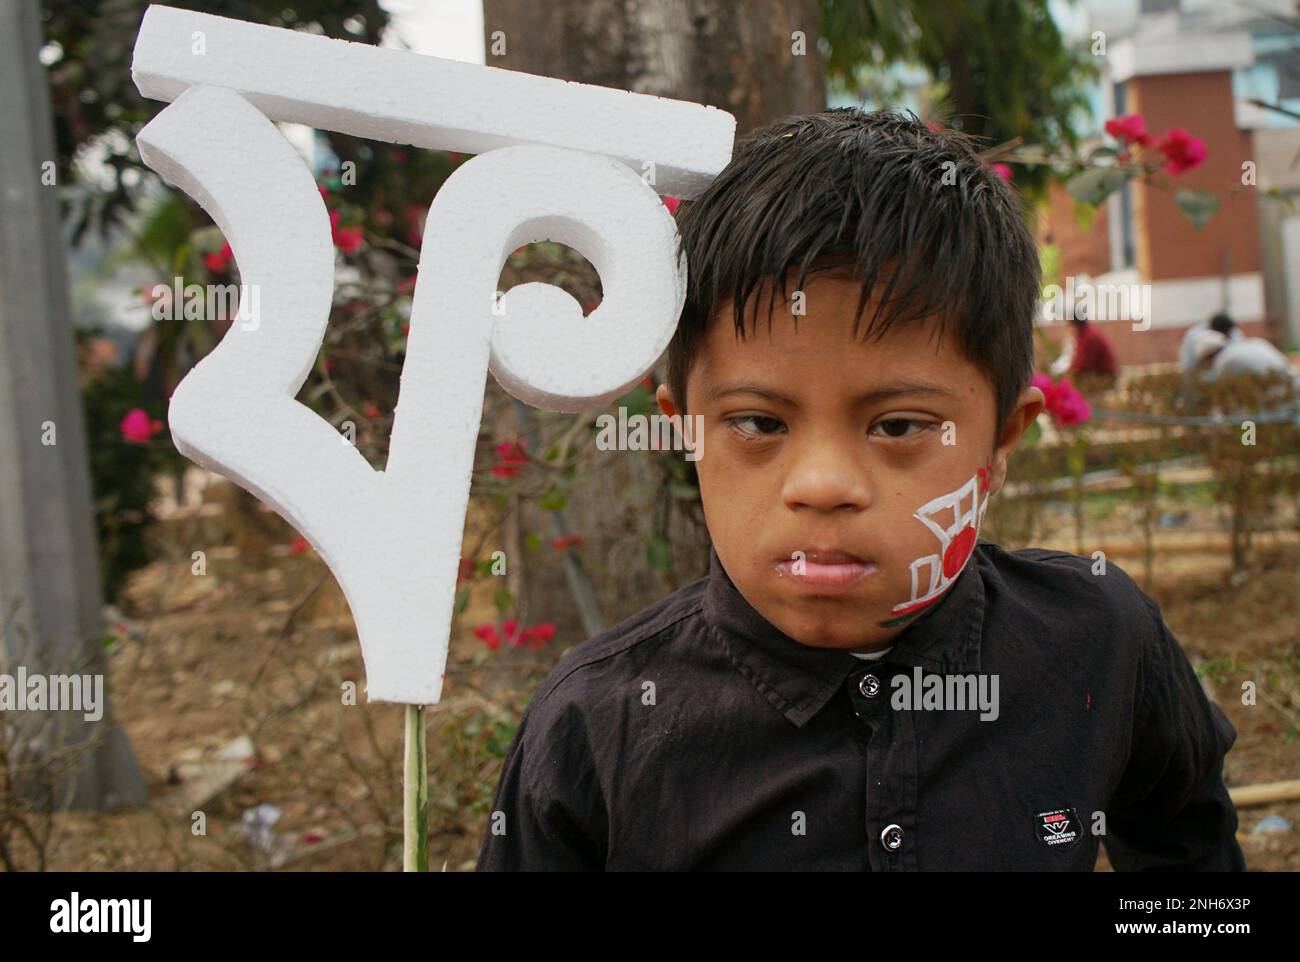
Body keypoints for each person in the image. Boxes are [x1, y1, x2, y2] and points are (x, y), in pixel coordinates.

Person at [476, 109, 1243, 871]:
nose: (823, 486)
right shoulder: (592, 729)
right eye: (757, 422)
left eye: (901, 426)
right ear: (687, 431)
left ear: (1004, 437)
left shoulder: (1100, 648)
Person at [1066, 304, 1117, 386]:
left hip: (1105, 376)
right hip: (1099, 373)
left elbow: (1084, 364)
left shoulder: (1089, 336)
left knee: (1074, 382)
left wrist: (1071, 372)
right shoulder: (1085, 333)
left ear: (1076, 322)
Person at [1180, 311, 1243, 377]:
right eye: (1225, 331)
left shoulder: (1233, 332)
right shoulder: (1198, 335)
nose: (1228, 334)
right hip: (1195, 371)